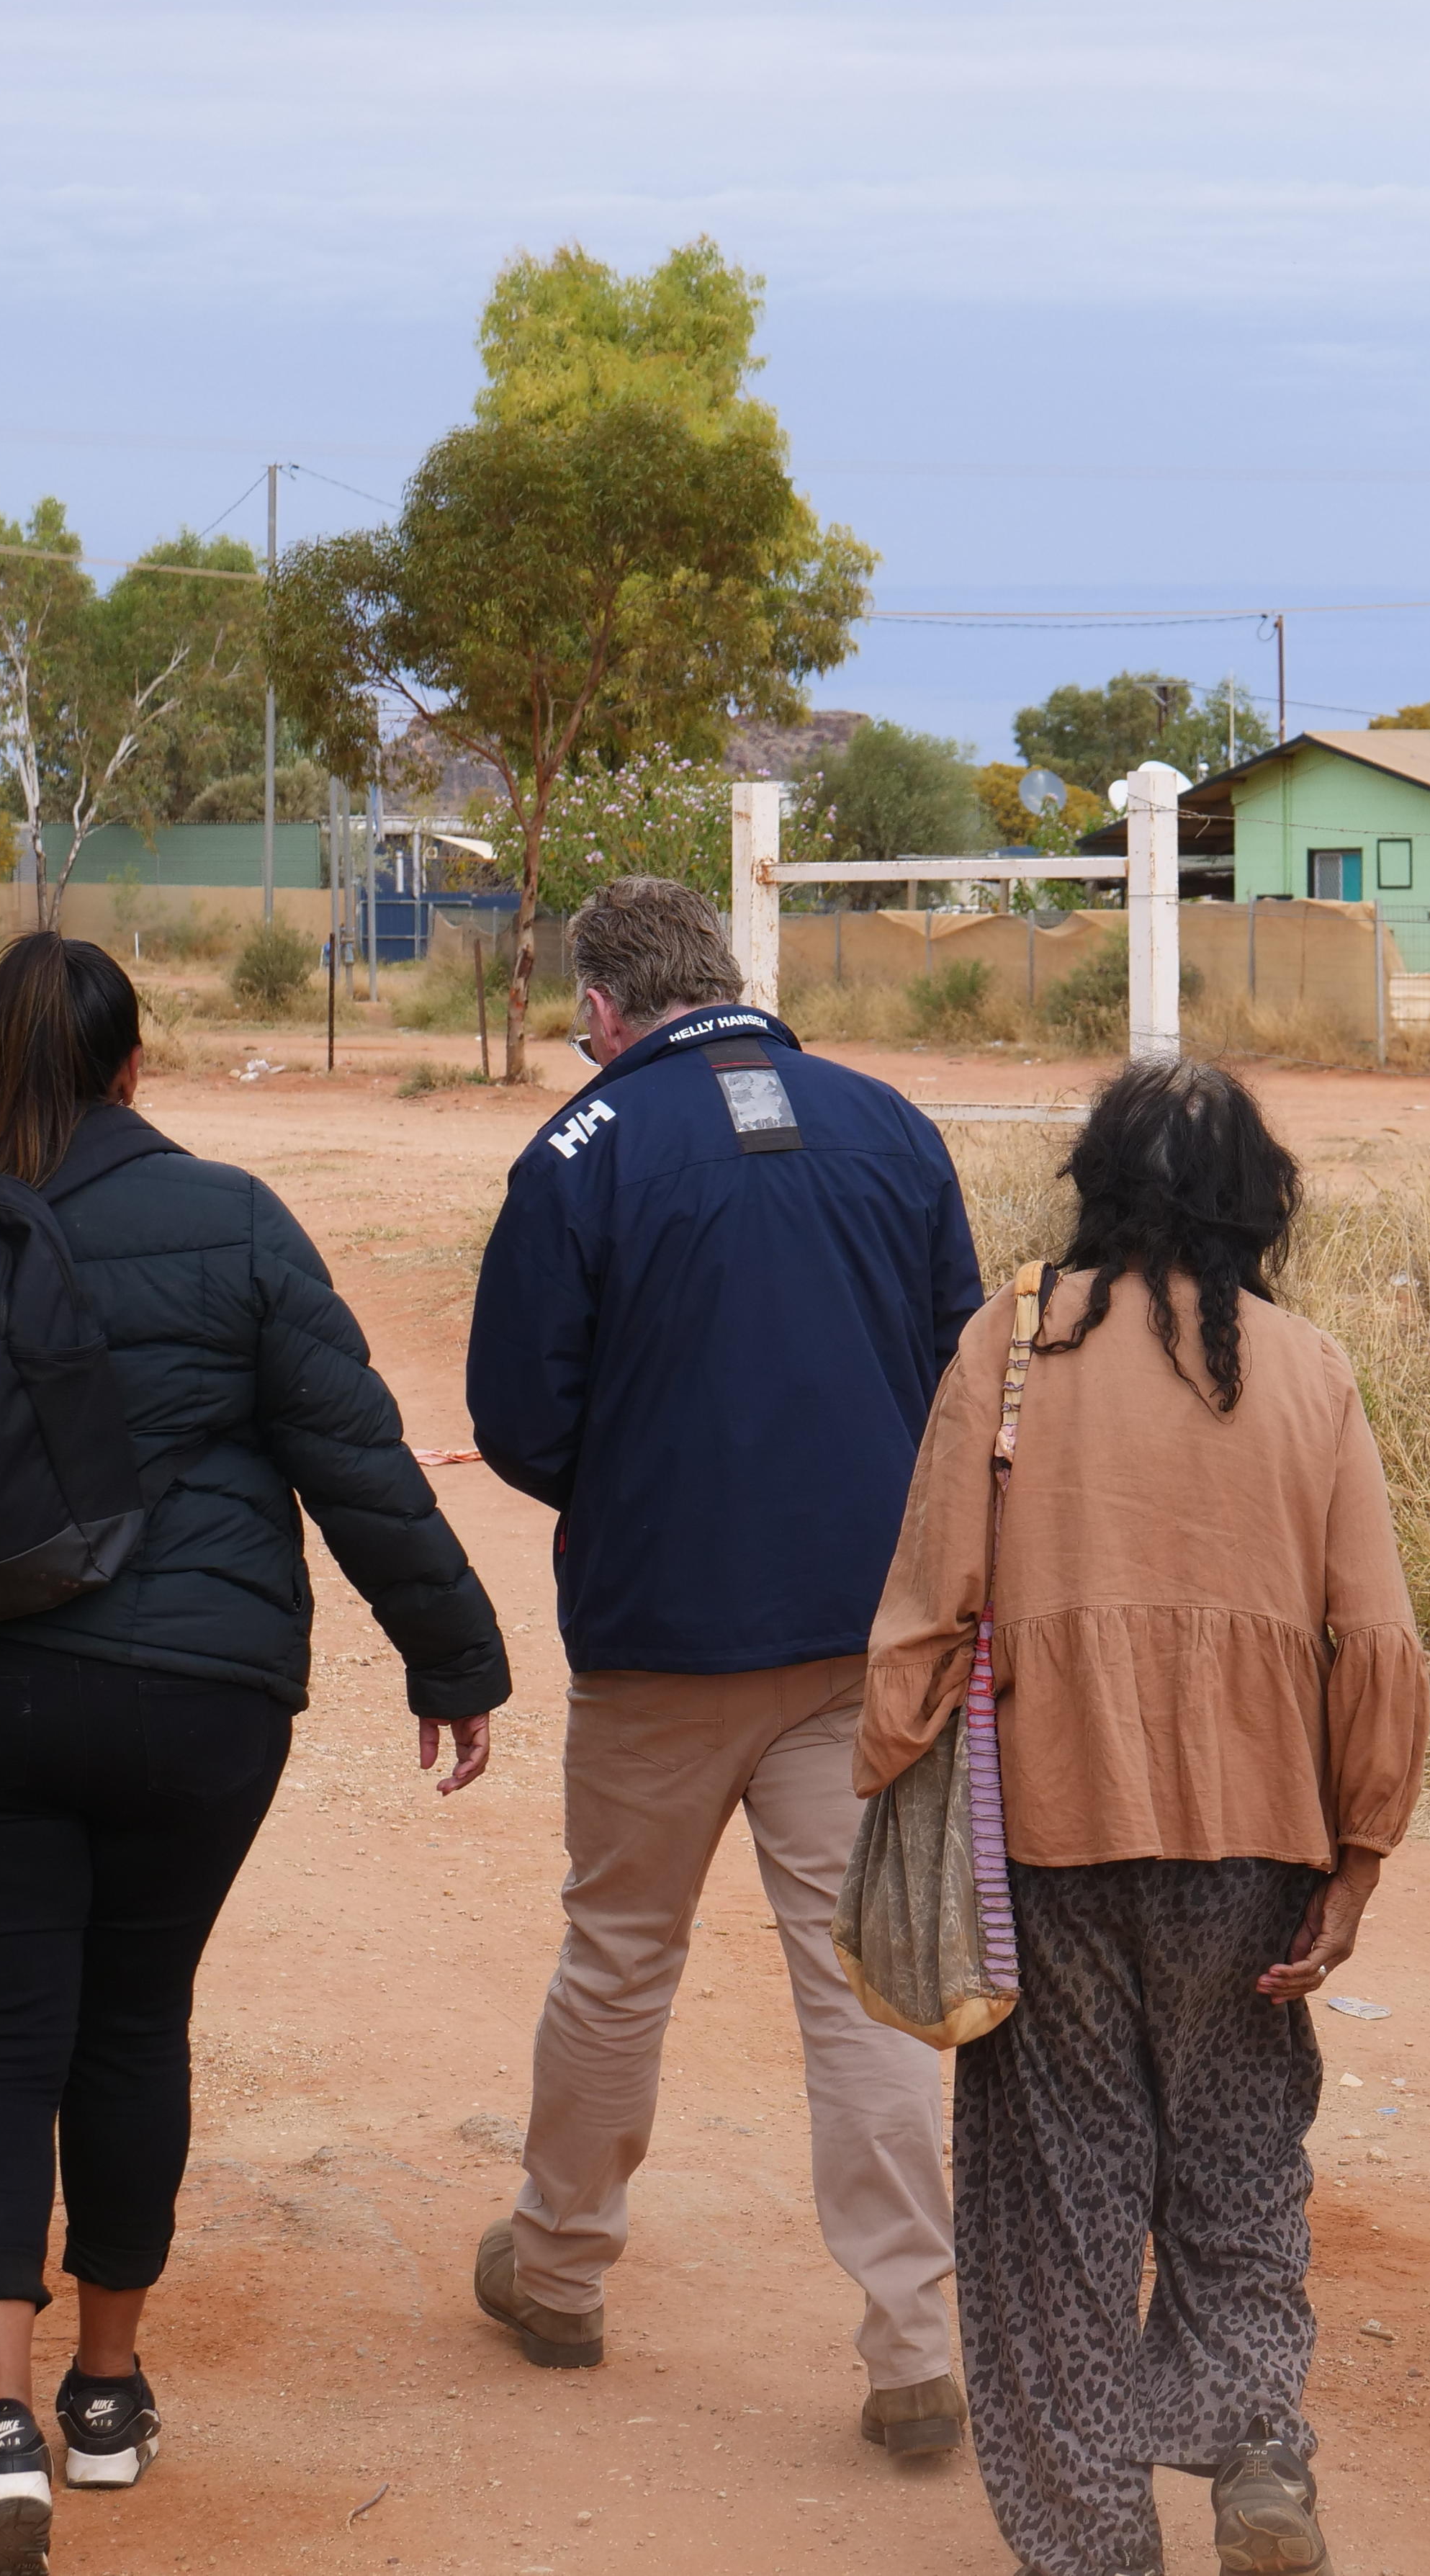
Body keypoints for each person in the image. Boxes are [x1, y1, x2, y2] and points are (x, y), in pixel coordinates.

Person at [0, 933, 508, 2576]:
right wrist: (452, 1650)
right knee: (130, 2020)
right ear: (136, 1064)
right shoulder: (233, 1220)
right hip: (190, 1696)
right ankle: (109, 2385)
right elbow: (353, 1454)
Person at [859, 1058, 1430, 2576]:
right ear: (1258, 1204)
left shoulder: (1011, 1342)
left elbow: (927, 1603)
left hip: (1048, 1837)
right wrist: (1358, 1855)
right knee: (1240, 2164)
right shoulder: (1305, 1371)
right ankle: (1256, 2445)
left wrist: (890, 1769)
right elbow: (1373, 1635)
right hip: (1258, 1841)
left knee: (1057, 2207)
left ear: (1097, 1187)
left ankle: (1096, 2544)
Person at [462, 876, 985, 2454]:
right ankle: (910, 2347)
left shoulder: (575, 1153)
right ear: (729, 977)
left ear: (604, 1014)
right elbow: (964, 1373)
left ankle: (558, 2276)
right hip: (858, 1639)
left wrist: (635, 1486)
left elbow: (516, 1421)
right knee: (864, 1983)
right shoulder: (888, 1122)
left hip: (658, 1640)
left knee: (620, 1953)